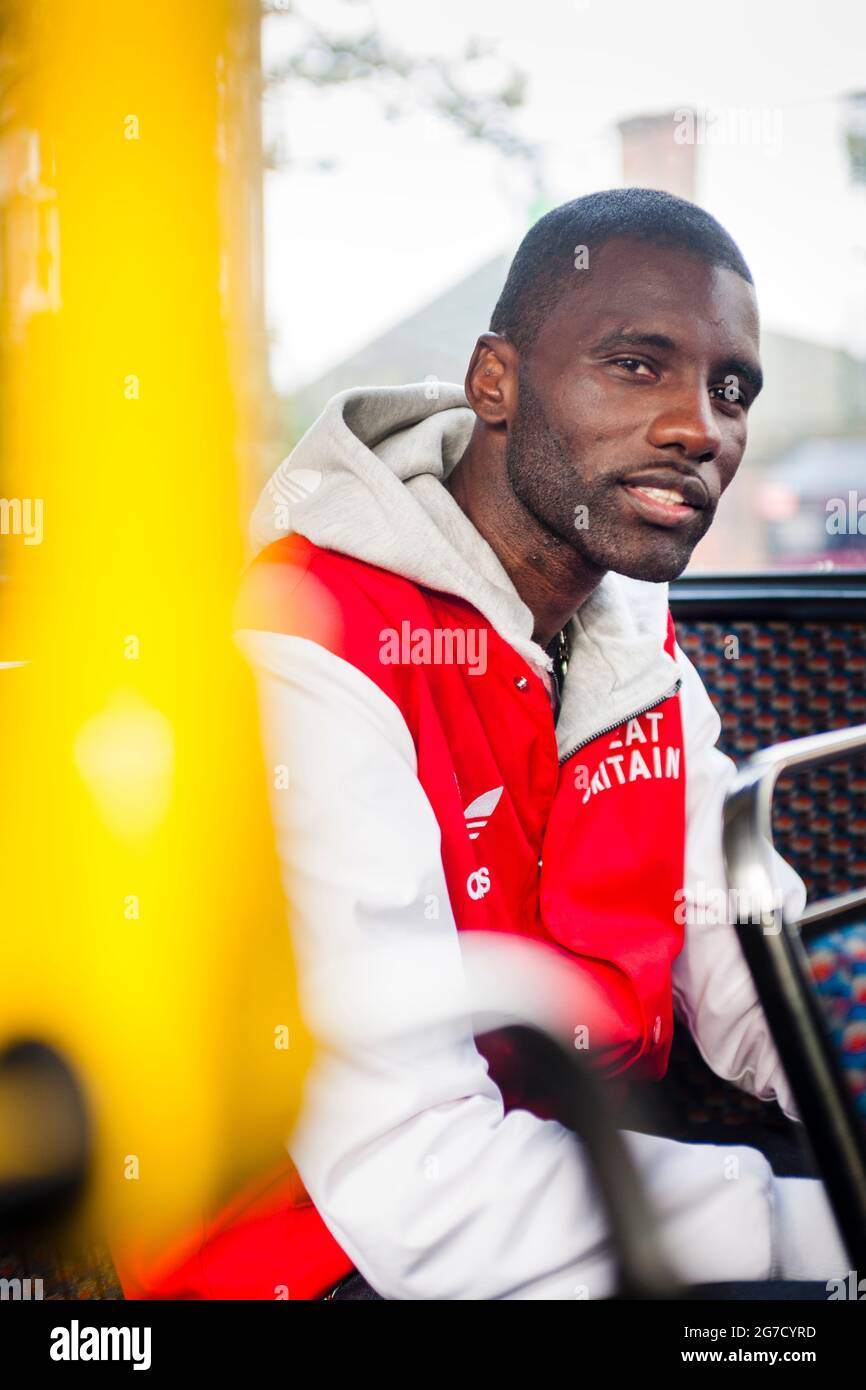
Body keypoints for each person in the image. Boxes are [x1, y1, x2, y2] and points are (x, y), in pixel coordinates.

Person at [220, 187, 849, 1301]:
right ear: (493, 381)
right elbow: (419, 1188)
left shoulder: (623, 639)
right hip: (333, 1250)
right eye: (634, 363)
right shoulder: (307, 648)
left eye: (730, 387)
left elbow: (743, 959)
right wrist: (818, 1230)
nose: (698, 426)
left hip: (560, 1171)